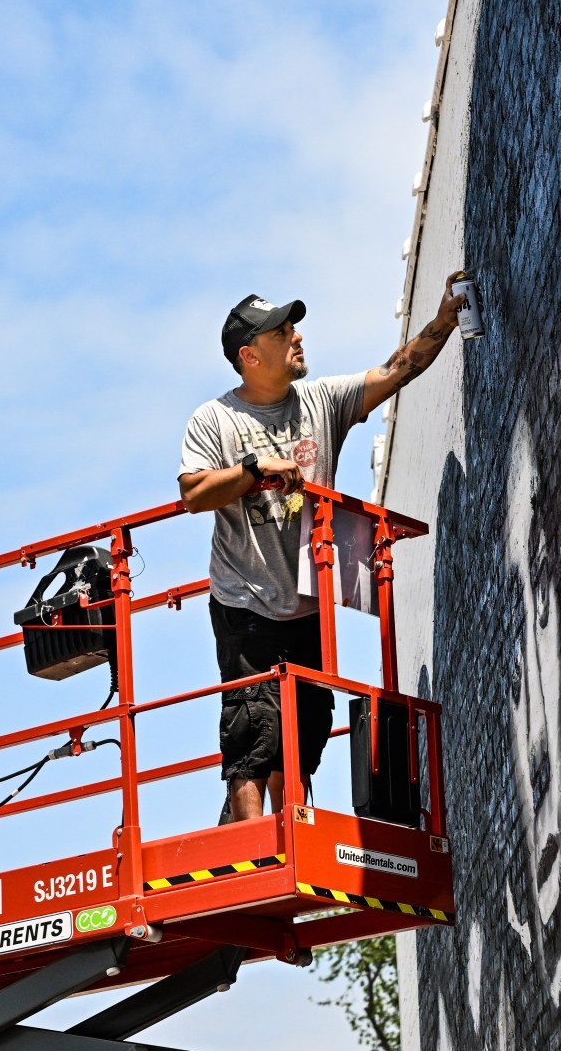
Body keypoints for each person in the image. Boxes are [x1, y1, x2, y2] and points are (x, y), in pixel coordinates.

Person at [178, 289, 464, 822]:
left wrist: (445, 319)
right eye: (281, 332)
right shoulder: (215, 419)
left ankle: (285, 831)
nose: (297, 337)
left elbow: (395, 371)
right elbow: (193, 494)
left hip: (308, 603)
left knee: (302, 735)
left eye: (294, 328)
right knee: (254, 737)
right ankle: (255, 850)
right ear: (250, 354)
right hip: (246, 603)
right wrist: (252, 470)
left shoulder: (321, 402)